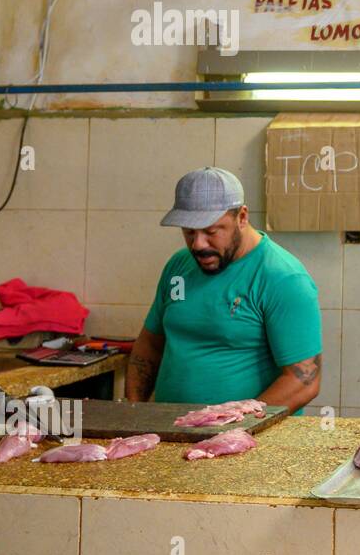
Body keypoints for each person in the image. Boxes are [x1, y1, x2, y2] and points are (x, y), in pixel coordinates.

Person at [125, 167, 323, 414]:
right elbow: (150, 345)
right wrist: (134, 412)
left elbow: (303, 381)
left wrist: (235, 425)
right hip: (170, 432)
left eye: (211, 232)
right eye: (189, 232)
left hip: (249, 440)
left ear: (242, 217)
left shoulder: (283, 278)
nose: (198, 245)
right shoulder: (179, 266)